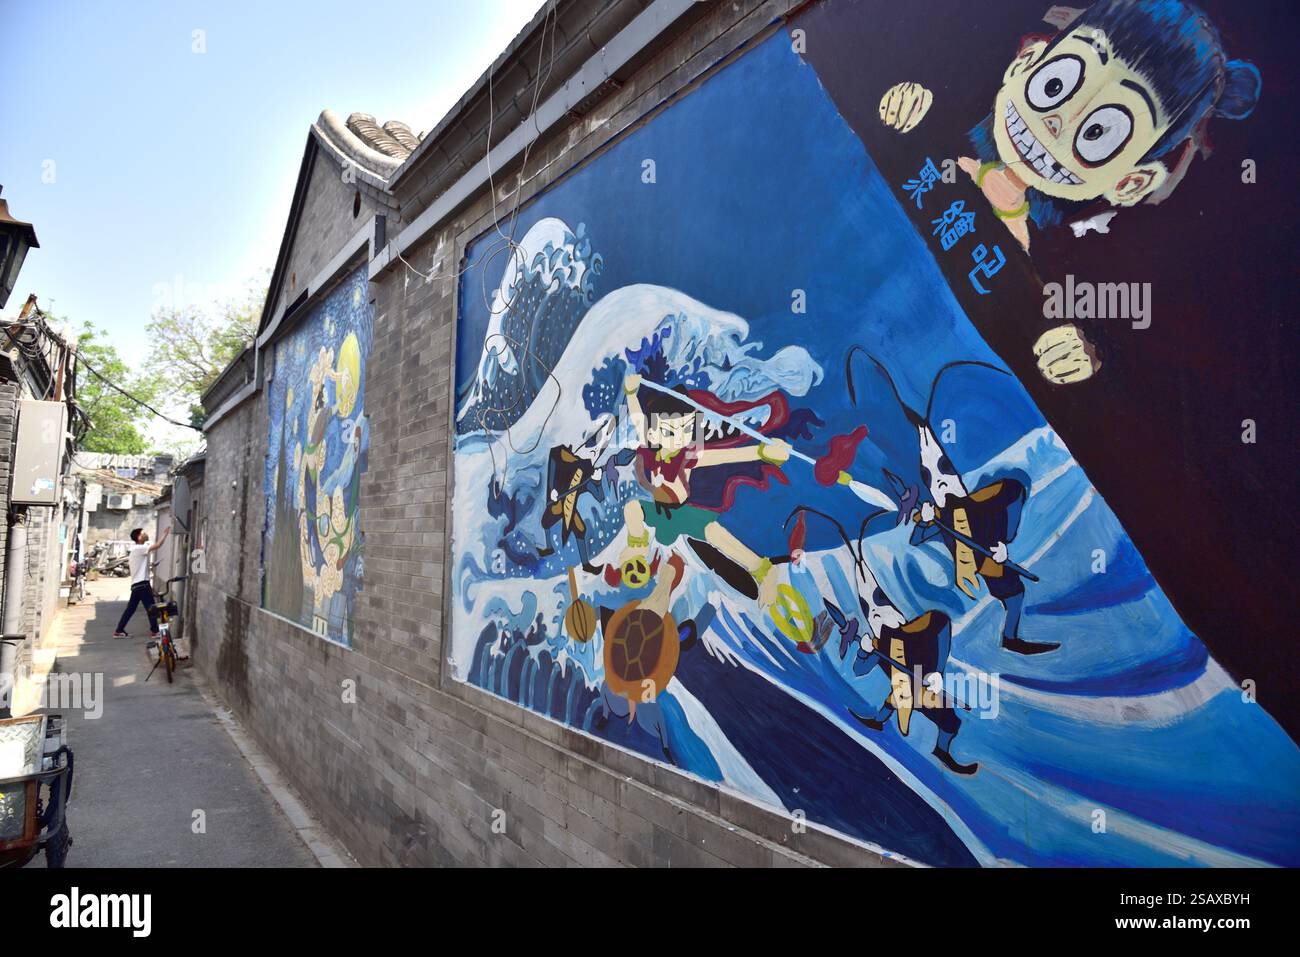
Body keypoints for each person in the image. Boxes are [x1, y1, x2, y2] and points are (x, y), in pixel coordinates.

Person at [112, 526, 171, 638]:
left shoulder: (135, 550)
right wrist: (165, 534)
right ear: (139, 537)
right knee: (151, 608)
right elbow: (157, 546)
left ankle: (119, 630)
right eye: (143, 533)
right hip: (143, 585)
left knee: (131, 609)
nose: (146, 534)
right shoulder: (141, 548)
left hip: (136, 585)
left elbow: (140, 565)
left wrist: (151, 566)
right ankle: (155, 631)